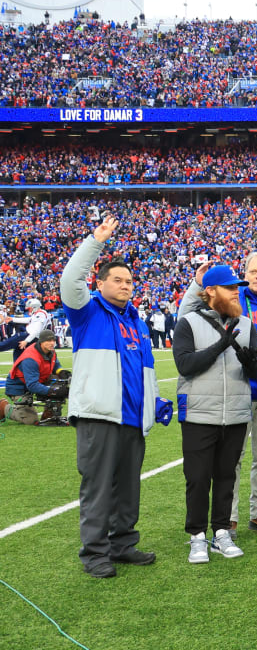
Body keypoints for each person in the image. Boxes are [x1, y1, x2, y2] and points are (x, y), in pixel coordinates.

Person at [60, 216, 166, 579]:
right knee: (98, 487)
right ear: (99, 283)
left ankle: (123, 544)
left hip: (133, 417)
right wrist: (96, 241)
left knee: (128, 487)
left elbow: (144, 372)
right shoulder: (87, 313)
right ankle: (94, 553)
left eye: (129, 281)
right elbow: (69, 280)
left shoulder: (136, 321)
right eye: (117, 280)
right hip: (100, 415)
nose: (124, 285)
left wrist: (155, 403)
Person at [180, 252, 257, 536]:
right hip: (236, 391)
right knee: (232, 459)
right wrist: (197, 283)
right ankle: (227, 518)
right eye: (252, 272)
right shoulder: (232, 298)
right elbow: (190, 312)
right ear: (244, 276)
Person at [173, 264, 257, 564]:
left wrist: (251, 362)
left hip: (236, 412)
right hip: (200, 412)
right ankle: (197, 536)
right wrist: (221, 344)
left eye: (237, 287)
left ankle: (221, 531)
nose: (236, 292)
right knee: (197, 478)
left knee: (227, 476)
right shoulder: (187, 322)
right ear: (210, 291)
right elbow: (185, 365)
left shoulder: (246, 324)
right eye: (229, 288)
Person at [4, 329, 66, 424]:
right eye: (49, 340)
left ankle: (49, 412)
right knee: (30, 420)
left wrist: (61, 371)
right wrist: (52, 391)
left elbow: (56, 364)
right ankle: (3, 407)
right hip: (19, 387)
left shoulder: (51, 352)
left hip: (37, 380)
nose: (52, 343)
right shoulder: (31, 358)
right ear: (41, 341)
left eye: (53, 340)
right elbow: (32, 385)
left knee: (57, 381)